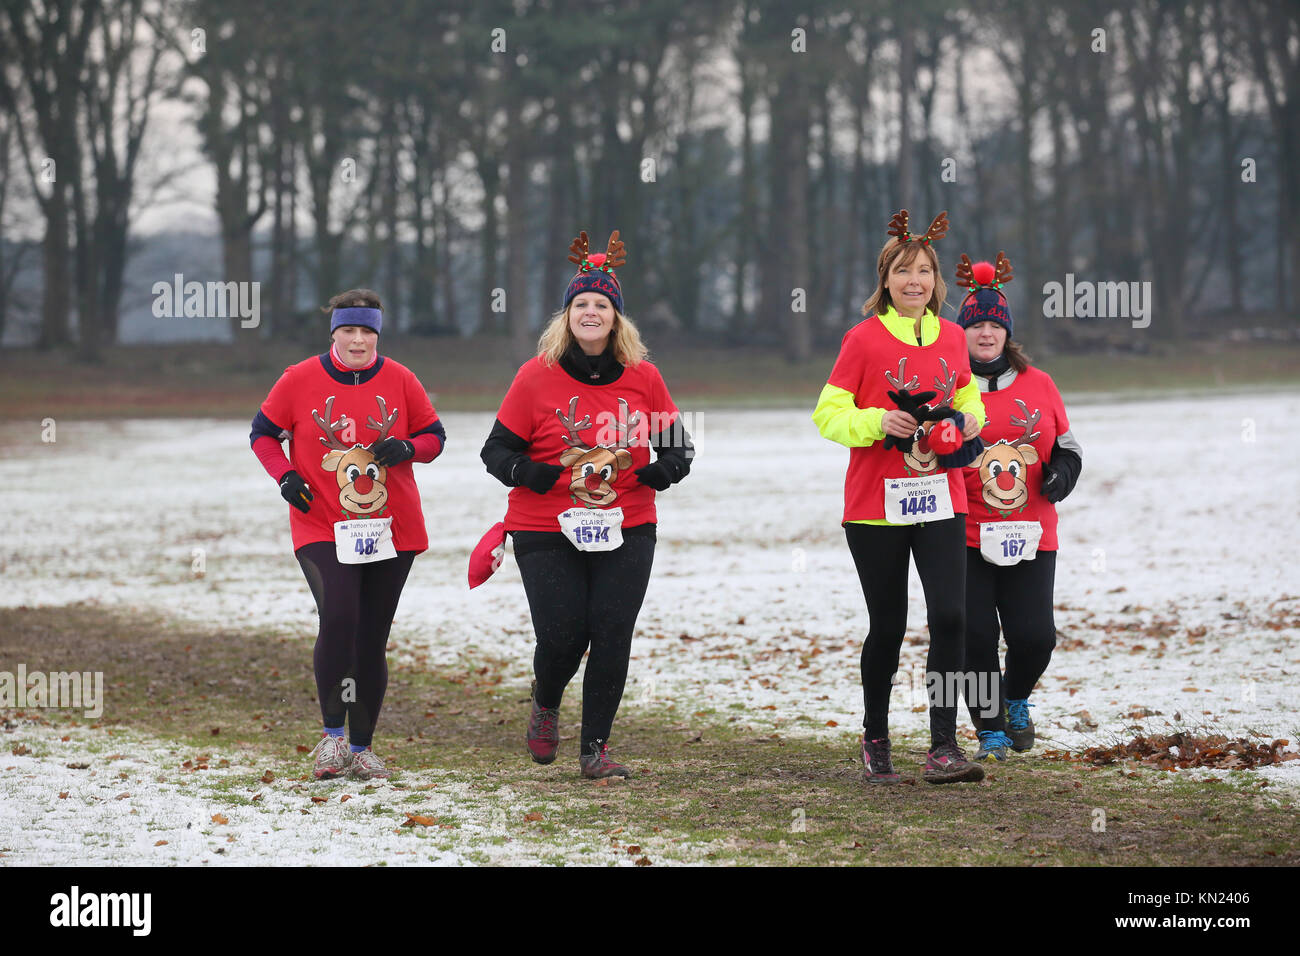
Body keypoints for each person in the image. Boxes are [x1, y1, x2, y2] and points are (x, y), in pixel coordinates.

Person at [479, 230, 693, 779]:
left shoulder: (644, 378)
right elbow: (495, 449)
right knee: (563, 634)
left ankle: (595, 749)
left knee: (611, 630)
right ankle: (546, 701)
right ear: (567, 315)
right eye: (581, 304)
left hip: (627, 523)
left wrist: (661, 470)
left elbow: (678, 446)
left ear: (617, 318)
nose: (591, 312)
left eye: (602, 304)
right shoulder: (535, 376)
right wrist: (530, 472)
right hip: (544, 524)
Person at [813, 210, 988, 785]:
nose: (916, 281)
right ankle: (876, 736)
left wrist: (963, 423)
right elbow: (827, 414)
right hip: (875, 505)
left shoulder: (955, 337)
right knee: (888, 625)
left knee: (953, 616)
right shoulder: (862, 339)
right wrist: (873, 421)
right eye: (904, 271)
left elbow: (974, 403)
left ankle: (944, 745)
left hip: (941, 497)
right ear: (885, 280)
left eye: (926, 271)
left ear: (938, 282)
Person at [249, 289, 446, 780]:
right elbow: (262, 433)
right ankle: (332, 738)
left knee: (371, 638)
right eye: (349, 330)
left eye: (367, 331)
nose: (358, 340)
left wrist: (408, 448)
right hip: (322, 521)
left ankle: (362, 747)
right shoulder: (298, 379)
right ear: (333, 332)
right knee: (339, 616)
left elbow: (435, 436)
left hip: (391, 527)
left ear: (377, 333)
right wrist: (285, 476)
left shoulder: (401, 379)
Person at [952, 253, 1082, 761]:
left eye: (994, 325)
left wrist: (1061, 474)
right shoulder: (949, 384)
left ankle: (1015, 698)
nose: (985, 334)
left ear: (1007, 333)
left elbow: (1068, 445)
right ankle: (991, 730)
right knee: (977, 637)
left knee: (1036, 637)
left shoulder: (1040, 384)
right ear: (962, 331)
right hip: (964, 532)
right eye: (976, 324)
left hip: (1031, 531)